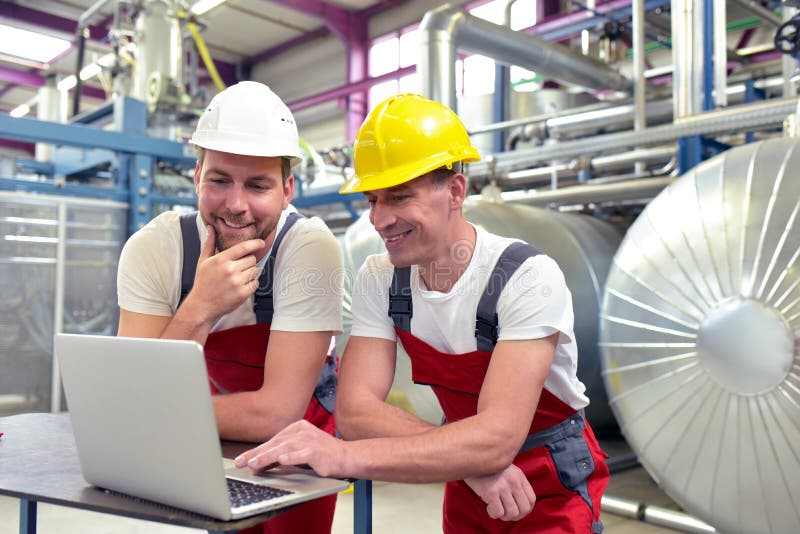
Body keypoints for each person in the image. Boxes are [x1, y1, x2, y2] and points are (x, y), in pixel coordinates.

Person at [235, 94, 610, 533]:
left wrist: (341, 456)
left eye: (399, 197)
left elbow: (496, 438)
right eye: (373, 199)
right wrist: (469, 464)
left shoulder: (526, 278)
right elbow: (355, 412)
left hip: (551, 478)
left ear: (455, 191)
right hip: (459, 471)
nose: (379, 219)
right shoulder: (382, 277)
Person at [116, 81, 343, 534]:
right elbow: (131, 396)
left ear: (287, 189)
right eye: (220, 180)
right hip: (207, 442)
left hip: (298, 444)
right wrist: (198, 307)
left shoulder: (310, 249)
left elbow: (278, 411)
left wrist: (160, 412)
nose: (236, 206)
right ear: (197, 177)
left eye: (258, 185)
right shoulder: (155, 250)